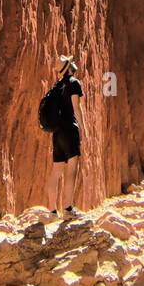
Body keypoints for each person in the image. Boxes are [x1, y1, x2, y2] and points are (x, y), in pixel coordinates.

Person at [46, 56, 83, 217]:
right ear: (68, 67)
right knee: (72, 170)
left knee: (56, 172)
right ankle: (68, 209)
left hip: (57, 133)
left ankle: (52, 211)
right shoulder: (74, 83)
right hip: (69, 130)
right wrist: (83, 129)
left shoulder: (57, 86)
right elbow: (76, 108)